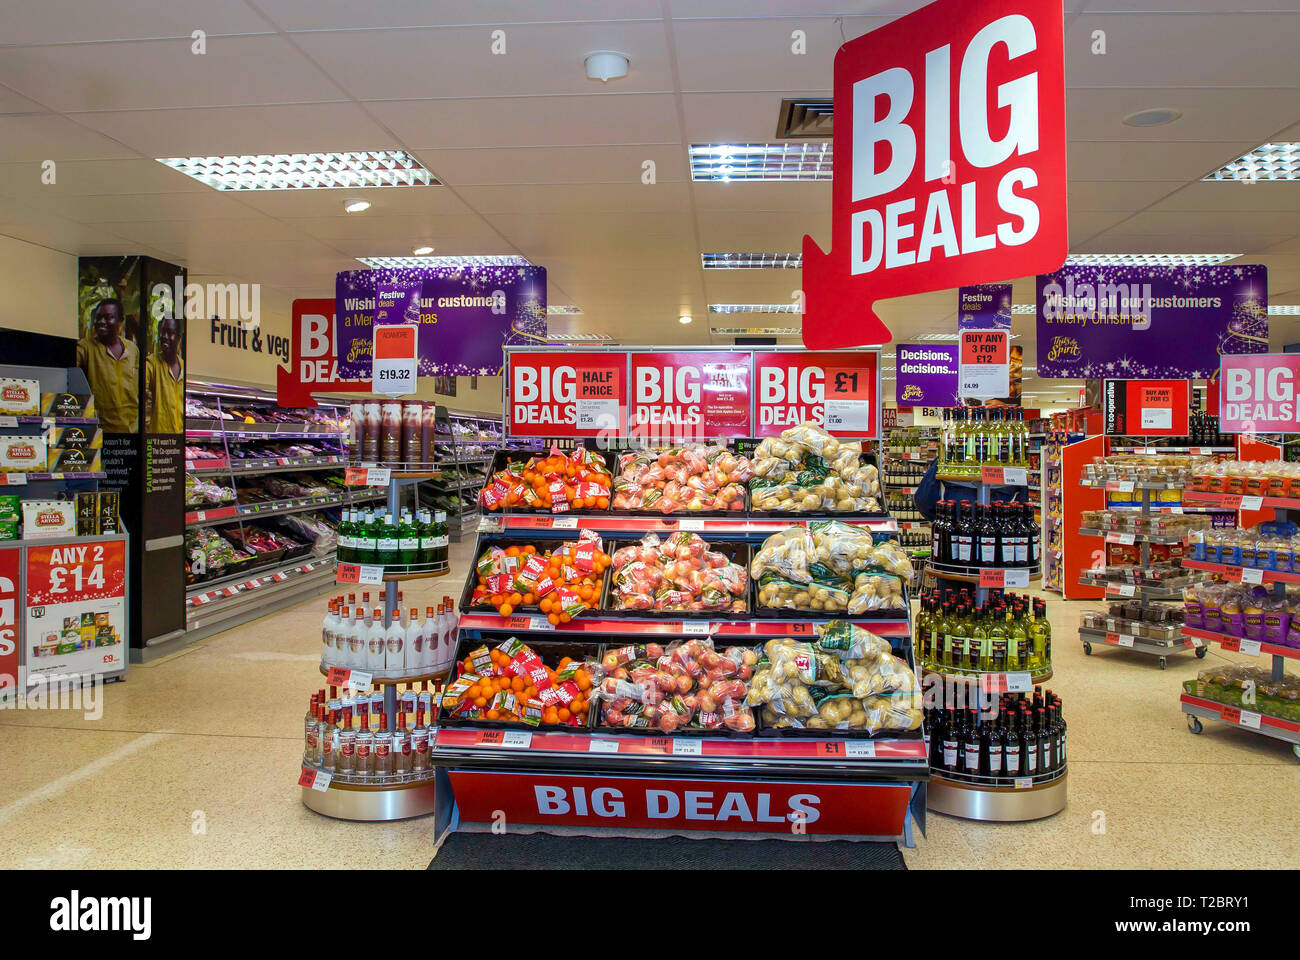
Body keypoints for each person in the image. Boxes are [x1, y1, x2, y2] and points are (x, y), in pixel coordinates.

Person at [76, 298, 139, 433]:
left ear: (120, 321)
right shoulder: (85, 348)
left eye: (108, 317)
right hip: (100, 433)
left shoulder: (132, 349)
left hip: (130, 433)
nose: (101, 321)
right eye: (98, 317)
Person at [144, 314, 184, 434]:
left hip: (179, 439)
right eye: (163, 333)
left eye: (170, 333)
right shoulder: (151, 363)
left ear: (178, 338)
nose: (165, 337)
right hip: (159, 440)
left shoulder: (184, 366)